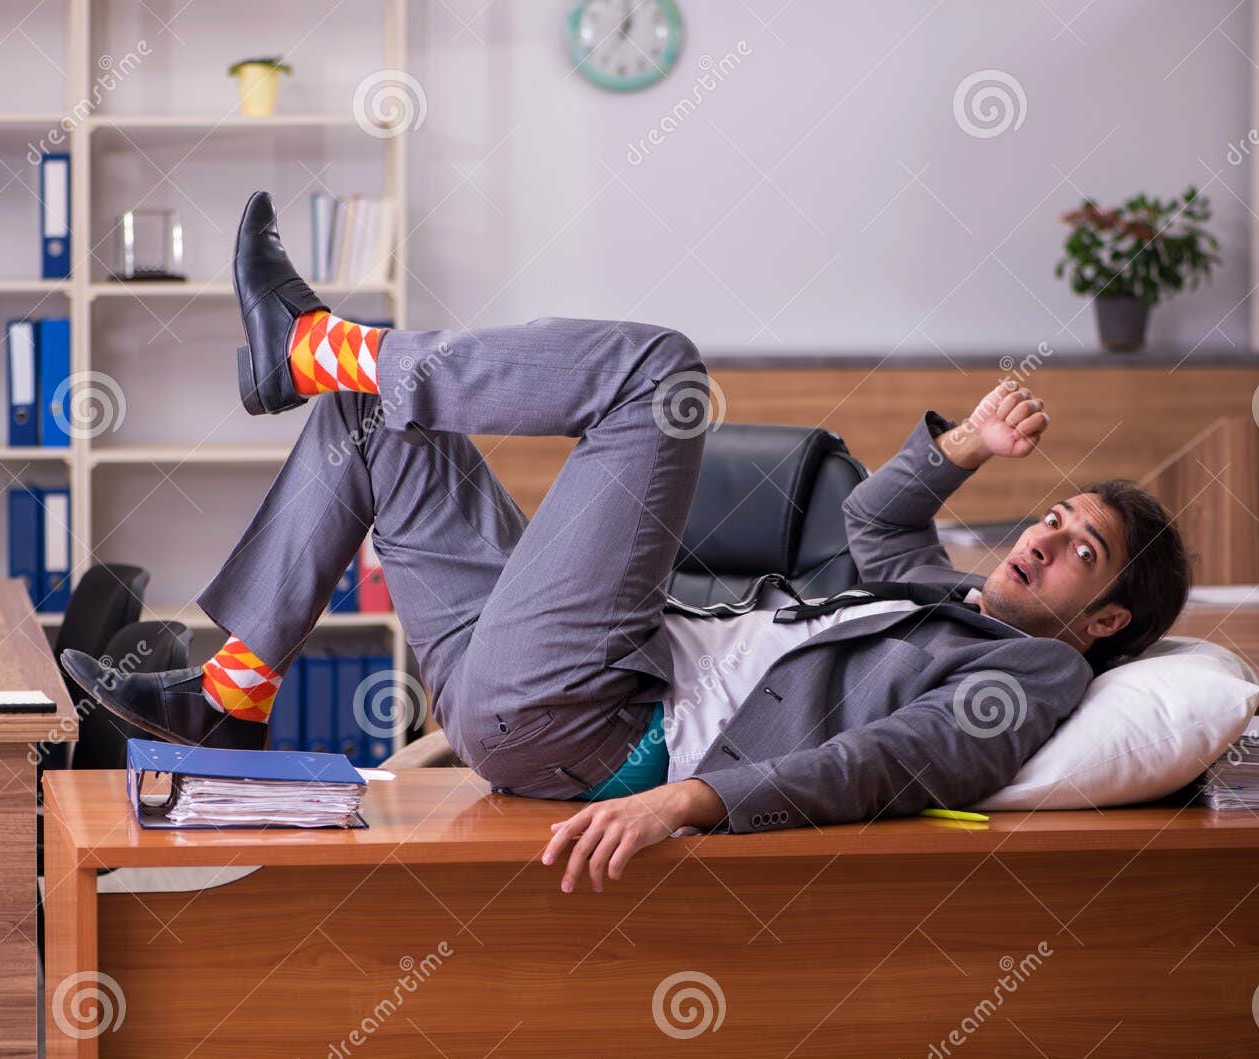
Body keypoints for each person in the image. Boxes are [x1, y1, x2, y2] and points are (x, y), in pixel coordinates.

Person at [62, 191, 1191, 894]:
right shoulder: (942, 603)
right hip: (515, 688)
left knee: (662, 374)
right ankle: (231, 691)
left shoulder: (1027, 670)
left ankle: (317, 341)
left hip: (607, 723)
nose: (1044, 540)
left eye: (1079, 551)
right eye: (1053, 517)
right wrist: (967, 450)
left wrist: (688, 804)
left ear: (1102, 625)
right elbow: (874, 522)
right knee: (371, 416)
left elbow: (888, 764)